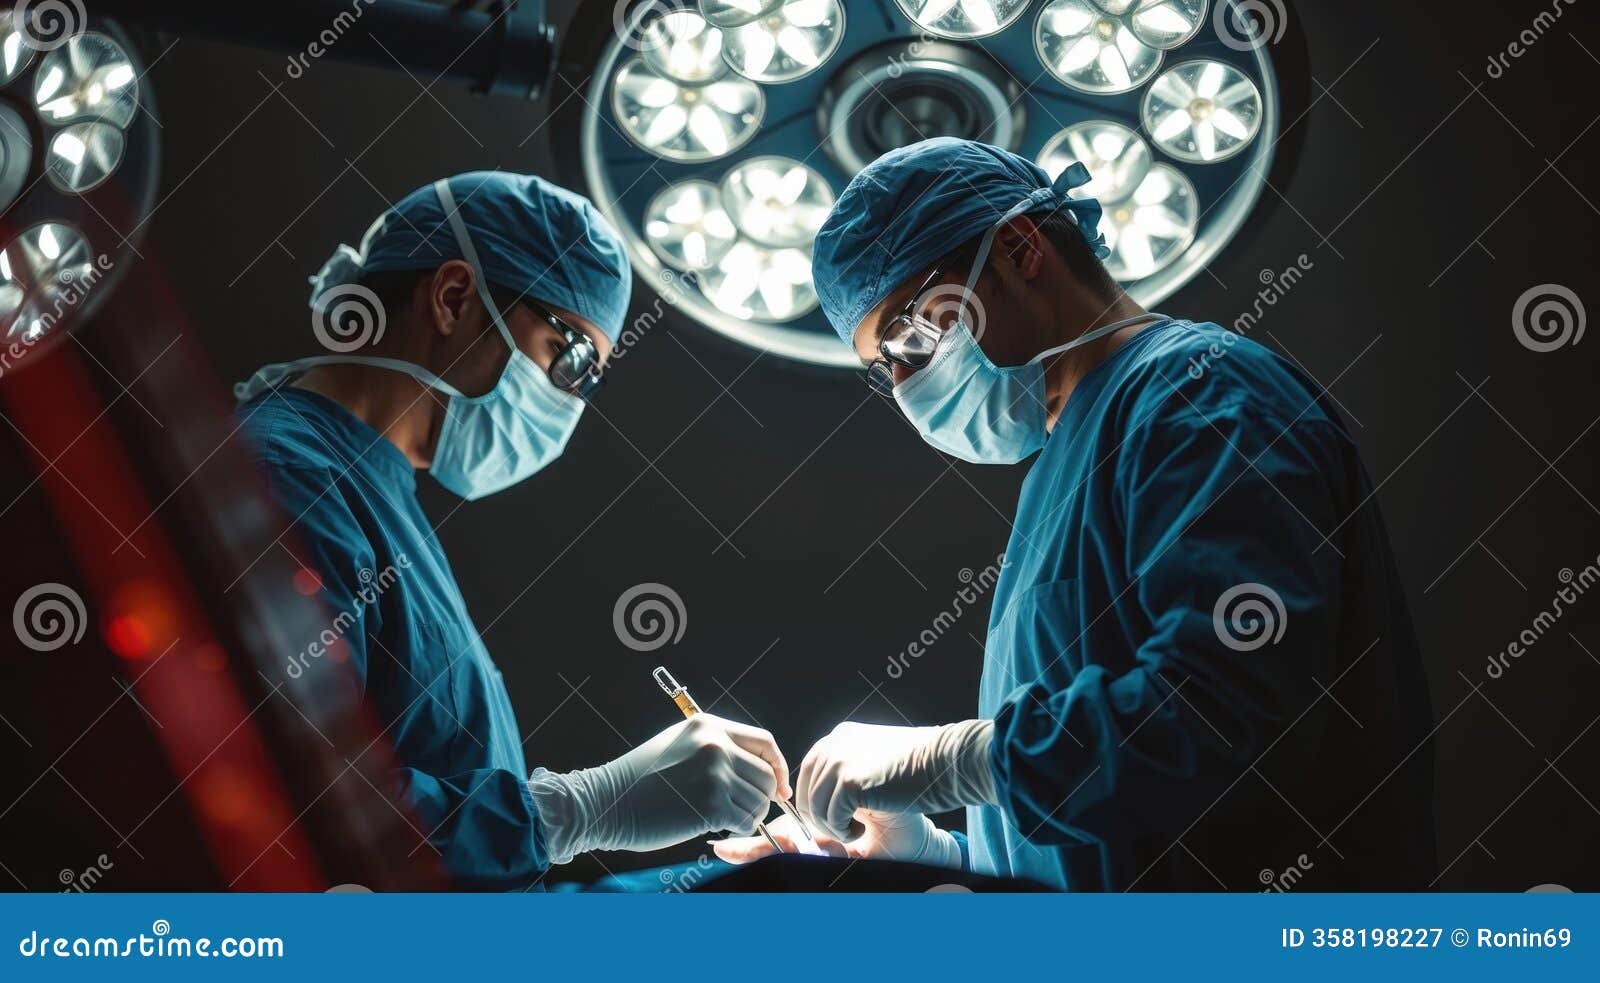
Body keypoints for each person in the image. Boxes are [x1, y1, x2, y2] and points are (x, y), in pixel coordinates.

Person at [715, 138, 1436, 890]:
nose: (902, 380)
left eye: (909, 331)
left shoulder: (1203, 397)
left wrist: (959, 760)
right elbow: (1112, 853)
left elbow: (1226, 718)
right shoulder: (1061, 472)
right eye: (882, 365)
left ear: (1021, 248)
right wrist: (935, 855)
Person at [236, 172, 790, 890]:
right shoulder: (285, 471)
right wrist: (573, 810)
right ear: (455, 296)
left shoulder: (381, 494)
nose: (570, 402)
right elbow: (289, 800)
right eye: (572, 357)